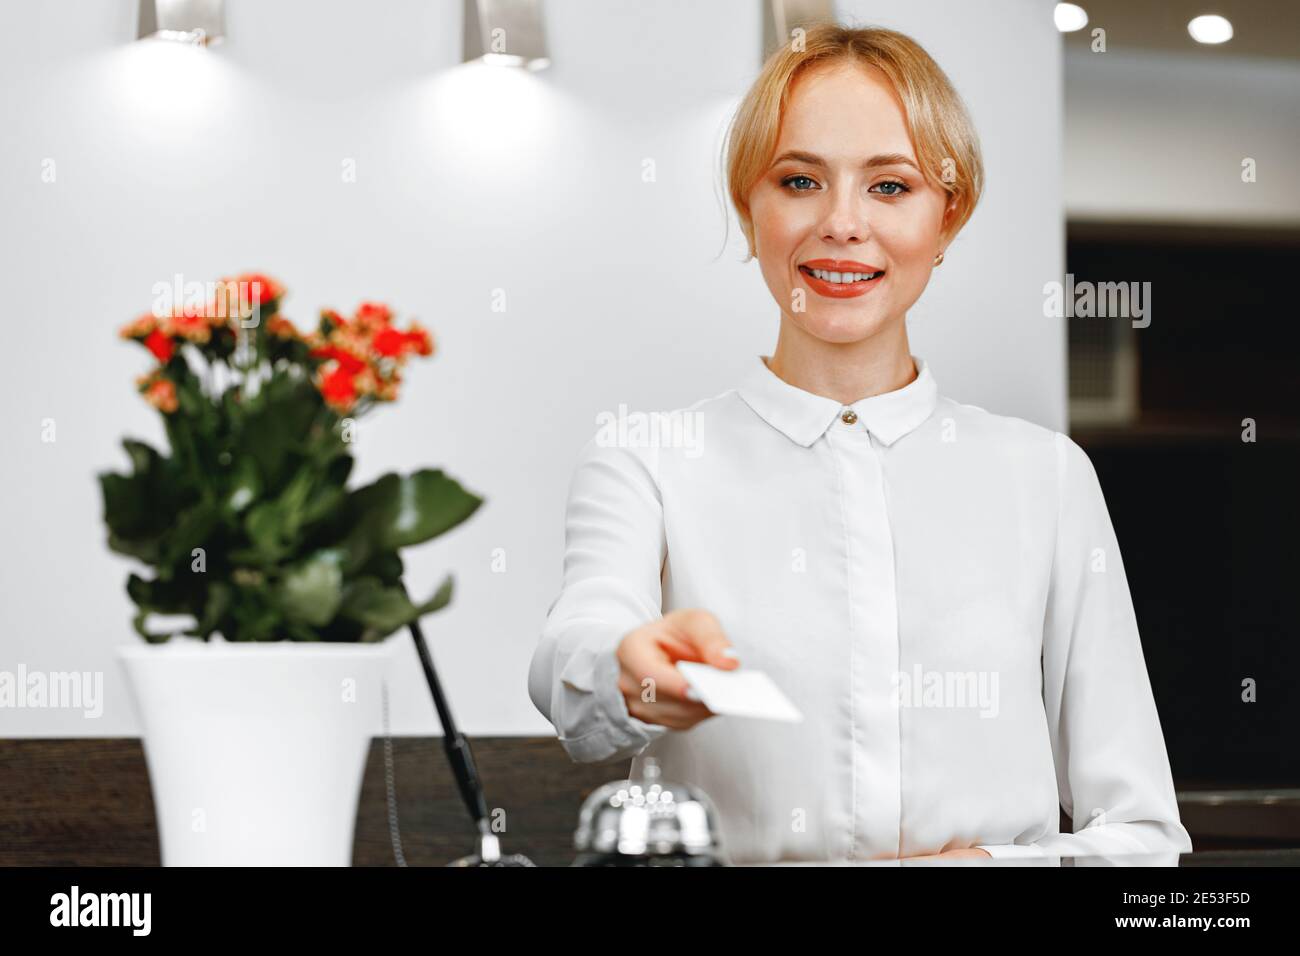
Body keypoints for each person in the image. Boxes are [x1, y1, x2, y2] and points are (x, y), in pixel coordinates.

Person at [528, 24, 1192, 863]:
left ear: (947, 217)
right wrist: (631, 665)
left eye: (890, 186)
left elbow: (1144, 838)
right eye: (799, 180)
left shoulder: (1046, 477)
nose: (842, 224)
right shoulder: (648, 459)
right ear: (750, 206)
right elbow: (572, 659)